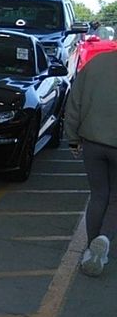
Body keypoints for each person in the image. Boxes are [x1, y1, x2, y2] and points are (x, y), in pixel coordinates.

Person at [64, 49, 117, 276]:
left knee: (98, 195)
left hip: (92, 141)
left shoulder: (96, 64)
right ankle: (104, 240)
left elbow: (74, 101)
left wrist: (72, 138)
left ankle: (90, 250)